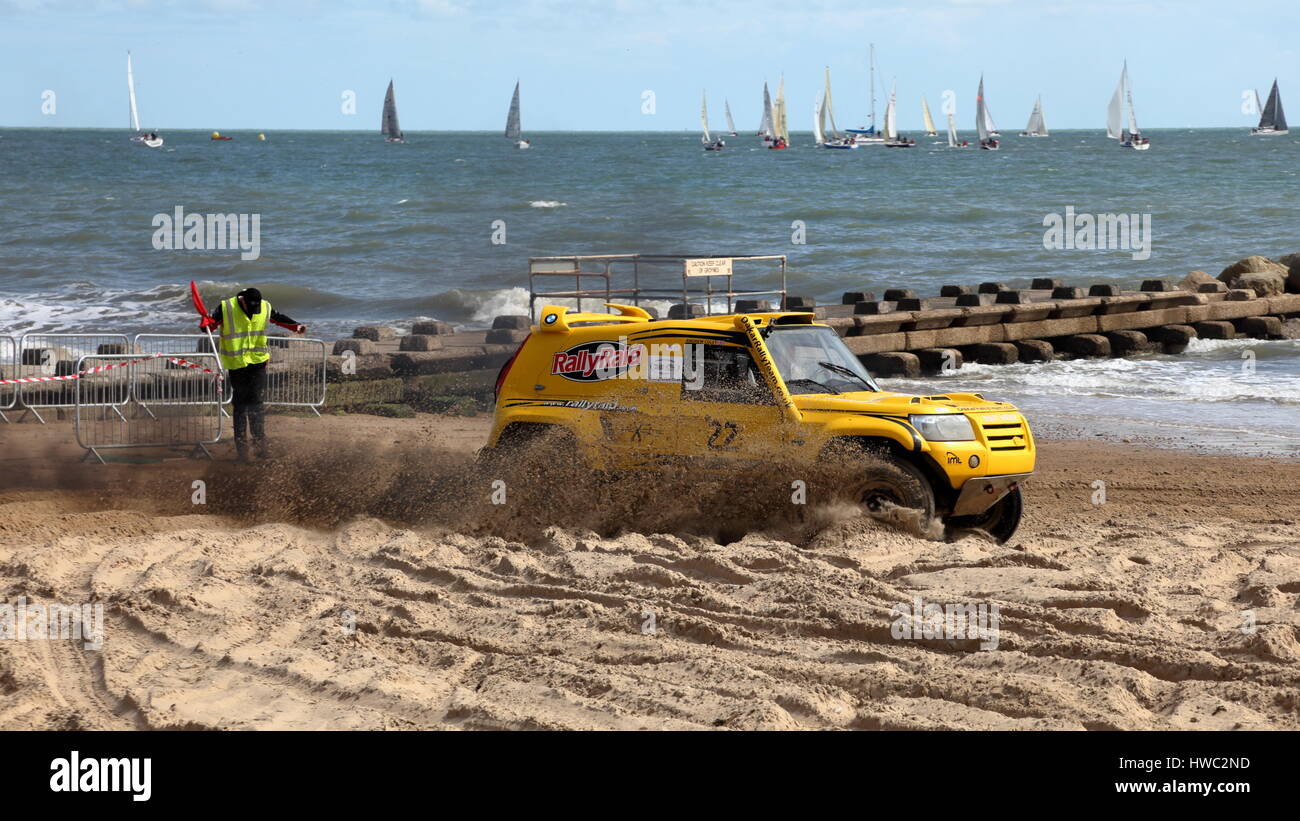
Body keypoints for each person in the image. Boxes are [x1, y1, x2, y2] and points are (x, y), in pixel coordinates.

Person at [201, 287, 305, 461]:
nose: (253, 309)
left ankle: (260, 446)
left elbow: (278, 318)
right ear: (242, 300)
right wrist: (205, 325)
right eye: (250, 306)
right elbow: (210, 327)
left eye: (255, 307)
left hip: (258, 361)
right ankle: (242, 449)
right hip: (237, 363)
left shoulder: (264, 306)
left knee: (256, 402)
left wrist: (296, 326)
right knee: (240, 405)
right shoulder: (226, 307)